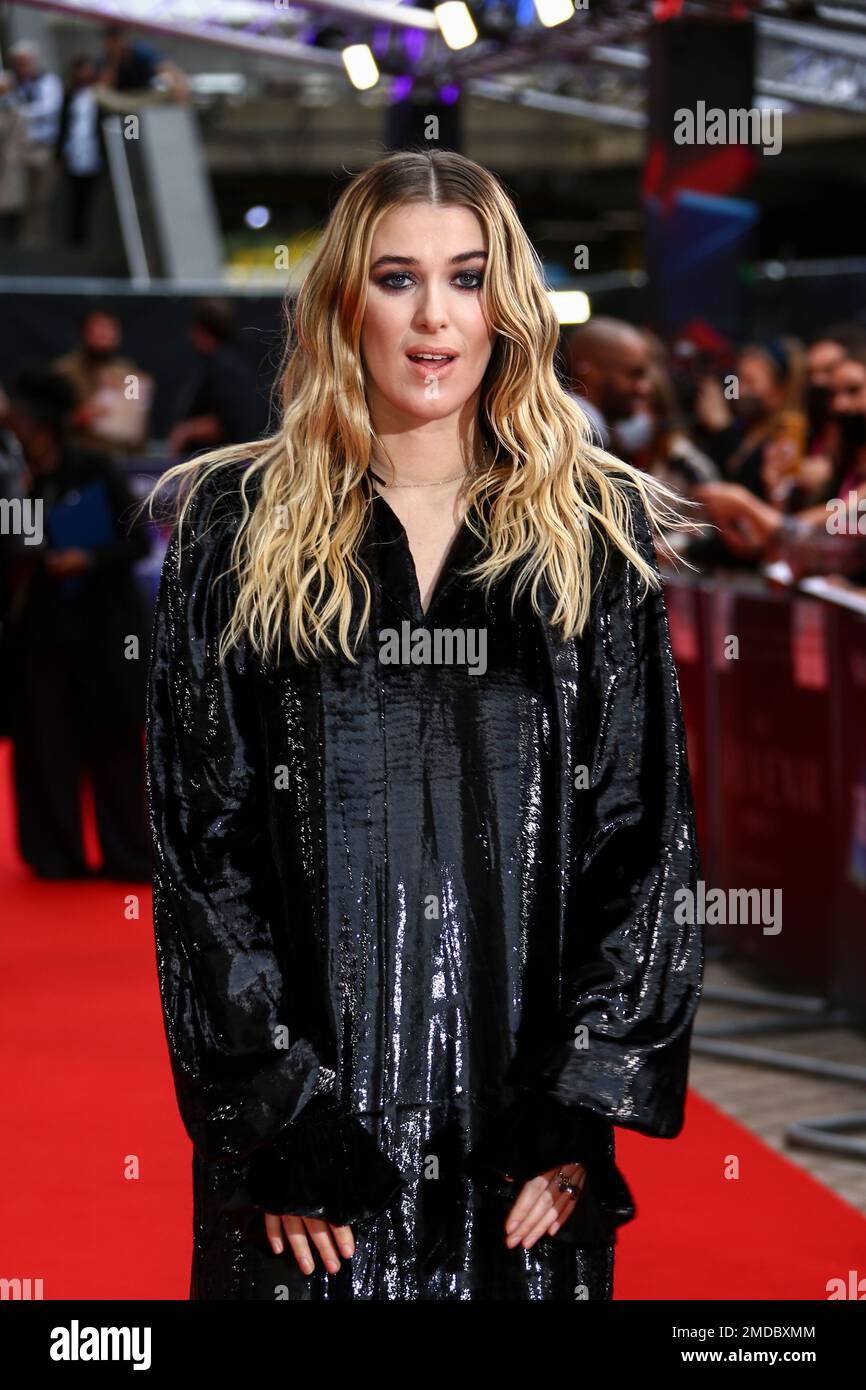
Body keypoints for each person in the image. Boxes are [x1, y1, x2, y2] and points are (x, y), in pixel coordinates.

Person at [141, 149, 704, 1302]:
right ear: (345, 297)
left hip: (520, 1153)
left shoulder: (592, 534)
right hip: (311, 1166)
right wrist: (276, 1112)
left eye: (467, 276)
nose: (434, 316)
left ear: (507, 304)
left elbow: (640, 840)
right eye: (398, 277)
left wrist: (577, 1102)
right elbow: (204, 844)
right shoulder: (232, 525)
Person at [3, 366, 152, 880]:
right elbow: (15, 551)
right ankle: (55, 854)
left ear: (41, 422)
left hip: (104, 629)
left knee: (114, 745)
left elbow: (136, 543)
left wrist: (87, 559)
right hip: (41, 634)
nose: (13, 423)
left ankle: (129, 854)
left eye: (19, 415)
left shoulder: (95, 469)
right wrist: (18, 502)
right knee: (47, 743)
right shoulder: (17, 479)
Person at [167, 300, 269, 458]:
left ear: (200, 331)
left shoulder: (224, 367)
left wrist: (185, 432)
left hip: (222, 462)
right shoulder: (230, 362)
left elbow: (226, 420)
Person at [53, 307, 153, 456]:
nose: (105, 334)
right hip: (78, 456)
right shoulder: (65, 372)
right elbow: (49, 420)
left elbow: (136, 422)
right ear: (85, 332)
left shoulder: (128, 372)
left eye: (111, 328)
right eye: (100, 327)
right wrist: (80, 417)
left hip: (120, 457)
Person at [0, 40, 63, 247]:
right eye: (18, 63)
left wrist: (22, 111)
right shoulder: (11, 82)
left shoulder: (48, 81)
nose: (22, 67)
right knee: (15, 196)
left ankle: (35, 241)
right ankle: (14, 239)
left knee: (40, 197)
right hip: (16, 149)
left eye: (26, 62)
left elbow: (49, 108)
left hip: (40, 147)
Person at [564, 316, 653, 451]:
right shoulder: (577, 436)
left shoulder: (596, 432)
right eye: (633, 375)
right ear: (587, 369)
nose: (644, 388)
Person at [55, 56, 103, 245]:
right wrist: (59, 154)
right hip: (73, 153)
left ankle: (88, 238)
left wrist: (132, 136)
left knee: (92, 199)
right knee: (74, 199)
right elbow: (63, 125)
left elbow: (130, 116)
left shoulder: (100, 95)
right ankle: (75, 239)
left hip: (96, 154)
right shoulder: (70, 96)